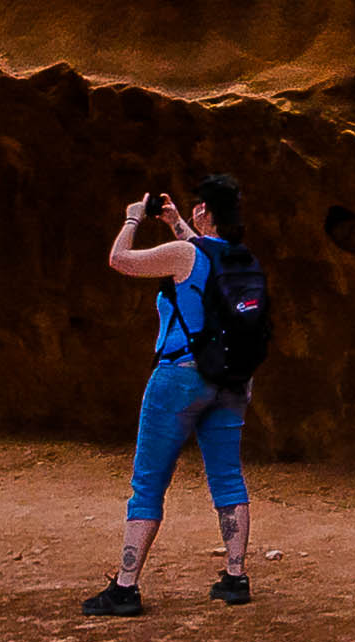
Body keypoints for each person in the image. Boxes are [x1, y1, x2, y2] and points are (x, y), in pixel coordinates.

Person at [82, 174, 255, 615]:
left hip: (179, 378)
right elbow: (204, 253)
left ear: (207, 213)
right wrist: (177, 220)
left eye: (200, 207)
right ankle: (235, 577)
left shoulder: (183, 255)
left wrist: (132, 219)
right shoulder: (240, 259)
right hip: (232, 383)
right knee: (227, 477)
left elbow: (120, 259)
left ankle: (125, 585)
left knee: (148, 483)